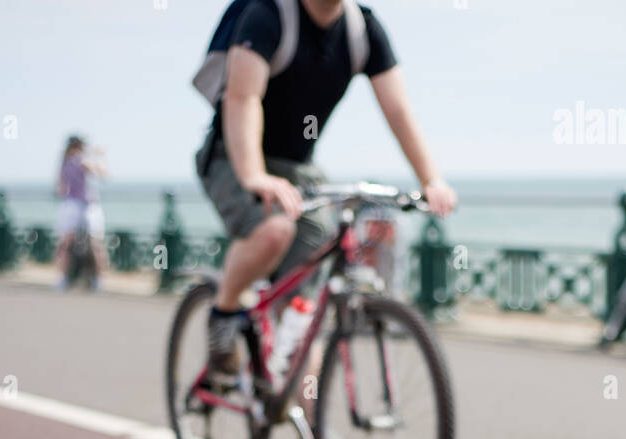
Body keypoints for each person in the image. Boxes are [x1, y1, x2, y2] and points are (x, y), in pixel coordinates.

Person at [195, 0, 457, 384]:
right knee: (274, 231)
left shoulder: (361, 29)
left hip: (299, 168)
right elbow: (243, 98)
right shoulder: (269, 14)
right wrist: (254, 175)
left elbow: (398, 109)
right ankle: (223, 319)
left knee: (303, 308)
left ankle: (315, 434)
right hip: (233, 159)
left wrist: (430, 179)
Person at [54, 136, 109, 290]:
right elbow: (104, 174)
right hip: (79, 204)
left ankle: (94, 280)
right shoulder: (69, 162)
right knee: (77, 242)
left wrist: (95, 157)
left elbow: (102, 174)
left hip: (81, 204)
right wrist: (98, 155)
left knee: (91, 242)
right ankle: (70, 278)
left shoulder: (71, 162)